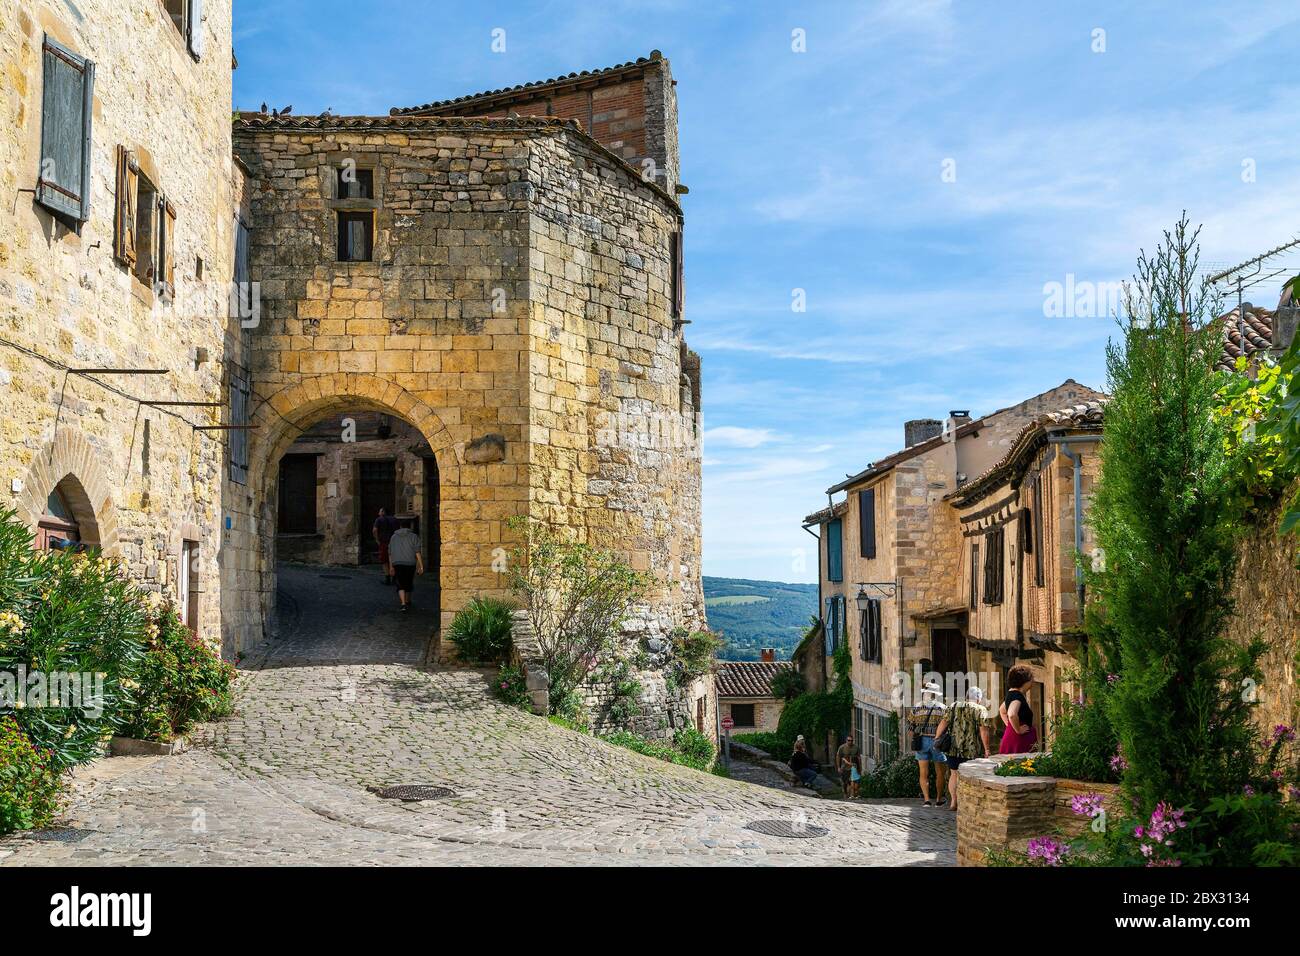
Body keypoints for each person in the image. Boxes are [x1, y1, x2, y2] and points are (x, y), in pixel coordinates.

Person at [932, 685, 994, 811]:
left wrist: (937, 739)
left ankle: (954, 801)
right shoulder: (980, 709)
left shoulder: (954, 706)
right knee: (971, 775)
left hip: (953, 748)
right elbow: (984, 731)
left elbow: (943, 723)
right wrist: (987, 749)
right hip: (971, 750)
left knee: (954, 774)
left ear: (966, 697)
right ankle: (968, 803)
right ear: (978, 699)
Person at [907, 680, 948, 806]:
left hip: (922, 741)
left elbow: (910, 726)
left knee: (923, 773)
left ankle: (926, 799)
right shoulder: (943, 708)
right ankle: (939, 799)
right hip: (937, 741)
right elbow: (947, 726)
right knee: (940, 772)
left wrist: (914, 739)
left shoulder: (917, 708)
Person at [999, 666, 1038, 754]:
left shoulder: (1011, 693)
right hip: (1019, 739)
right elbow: (1012, 714)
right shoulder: (1017, 697)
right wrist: (1017, 729)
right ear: (1025, 681)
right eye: (1032, 678)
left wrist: (1010, 726)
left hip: (1014, 736)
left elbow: (1002, 710)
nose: (1033, 681)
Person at [387, 520, 423, 611]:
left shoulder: (393, 537)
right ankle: (407, 600)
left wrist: (391, 566)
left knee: (400, 583)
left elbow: (390, 553)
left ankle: (403, 603)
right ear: (409, 527)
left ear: (400, 527)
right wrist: (421, 565)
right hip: (410, 562)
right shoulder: (414, 536)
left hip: (397, 563)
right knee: (408, 581)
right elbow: (417, 552)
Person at [372, 508, 400, 584]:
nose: (378, 513)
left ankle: (387, 578)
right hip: (394, 542)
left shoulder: (379, 519)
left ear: (383, 512)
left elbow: (374, 530)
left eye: (380, 511)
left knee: (384, 560)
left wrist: (377, 540)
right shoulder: (395, 519)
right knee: (394, 560)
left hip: (384, 542)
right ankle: (394, 578)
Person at [836, 733, 860, 798]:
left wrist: (859, 768)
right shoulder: (842, 747)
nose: (850, 742)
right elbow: (838, 757)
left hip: (853, 768)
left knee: (852, 782)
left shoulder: (856, 747)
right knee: (844, 782)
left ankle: (851, 795)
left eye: (851, 740)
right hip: (845, 767)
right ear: (846, 740)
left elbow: (858, 757)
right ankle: (845, 793)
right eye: (848, 740)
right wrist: (838, 767)